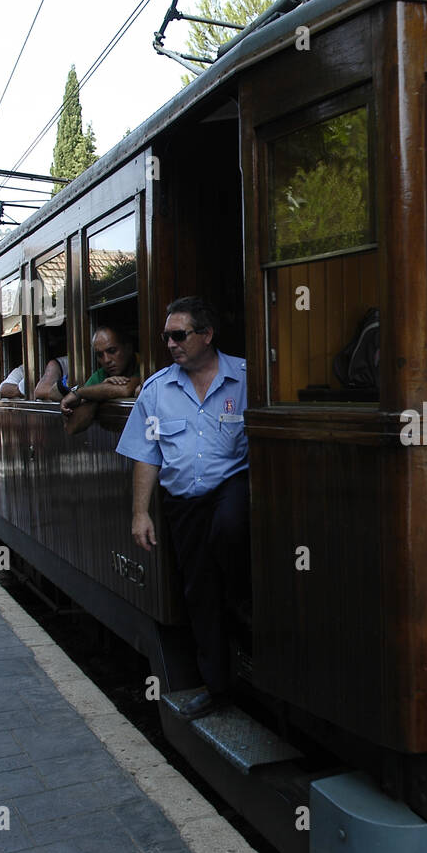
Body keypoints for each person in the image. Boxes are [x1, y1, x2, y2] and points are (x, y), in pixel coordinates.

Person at [115, 297, 249, 720]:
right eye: (166, 337)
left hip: (231, 488)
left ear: (207, 336)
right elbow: (146, 454)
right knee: (199, 591)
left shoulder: (247, 378)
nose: (171, 344)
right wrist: (140, 513)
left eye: (180, 335)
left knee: (230, 536)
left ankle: (253, 650)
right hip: (183, 503)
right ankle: (217, 686)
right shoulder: (157, 390)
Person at [59, 326, 142, 435]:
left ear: (128, 348)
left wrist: (78, 392)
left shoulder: (144, 366)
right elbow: (71, 427)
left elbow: (125, 389)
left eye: (112, 351)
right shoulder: (101, 374)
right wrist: (100, 392)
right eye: (100, 355)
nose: (106, 360)